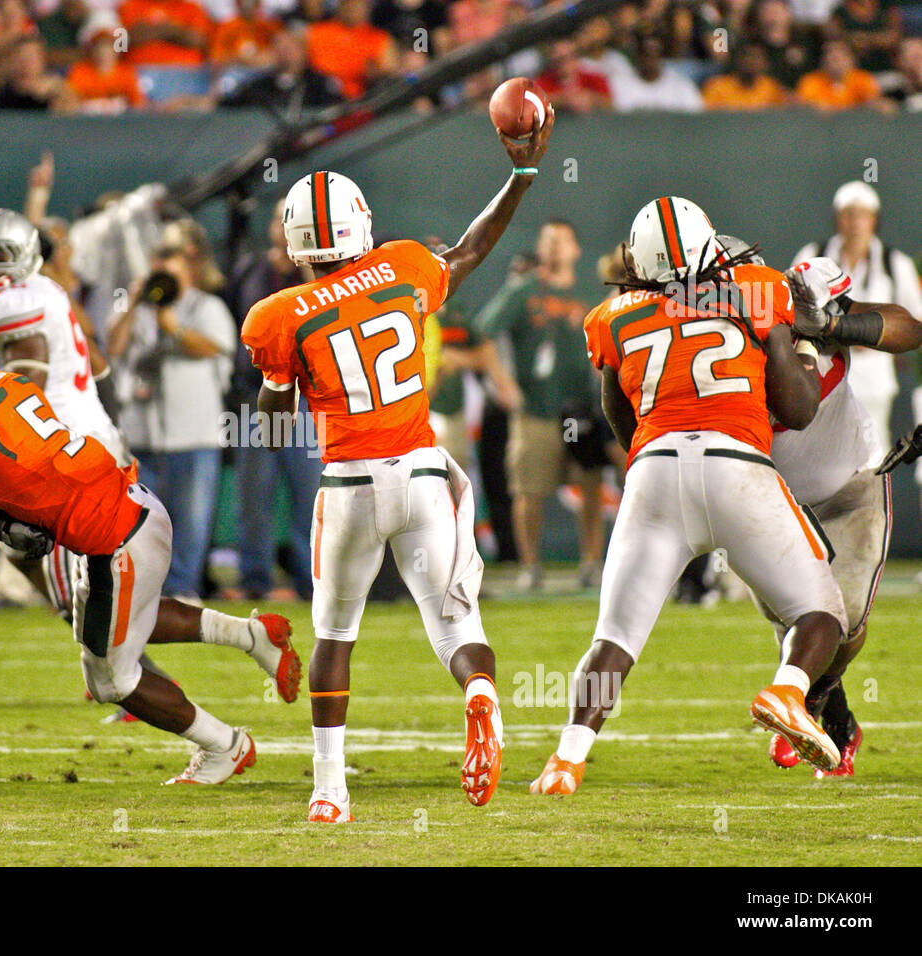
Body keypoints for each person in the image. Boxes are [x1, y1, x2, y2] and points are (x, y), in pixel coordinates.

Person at [241, 107, 554, 822]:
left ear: (295, 243)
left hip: (351, 485)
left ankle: (330, 791)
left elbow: (275, 422)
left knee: (334, 636)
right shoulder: (405, 267)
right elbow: (473, 248)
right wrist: (521, 176)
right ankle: (480, 698)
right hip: (420, 472)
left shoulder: (278, 314)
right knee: (453, 626)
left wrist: (274, 381)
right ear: (360, 224)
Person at [0, 321, 301, 784]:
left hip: (118, 539)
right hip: (134, 511)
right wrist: (5, 524)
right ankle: (252, 637)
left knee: (113, 680)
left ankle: (225, 745)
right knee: (116, 632)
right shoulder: (6, 384)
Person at [529, 198, 848, 796]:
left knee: (615, 637)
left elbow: (614, 412)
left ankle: (565, 762)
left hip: (655, 471)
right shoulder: (757, 288)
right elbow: (799, 410)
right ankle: (785, 690)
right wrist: (805, 346)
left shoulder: (612, 316)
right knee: (822, 611)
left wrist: (648, 464)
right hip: (738, 466)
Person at [760, 250, 922, 777]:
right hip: (775, 500)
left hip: (852, 485)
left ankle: (808, 703)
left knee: (846, 618)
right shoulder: (742, 327)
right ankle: (836, 718)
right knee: (801, 620)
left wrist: (833, 324)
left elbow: (908, 328)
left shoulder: (818, 305)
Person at [0, 207, 129, 616]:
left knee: (82, 580)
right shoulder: (48, 289)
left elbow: (25, 387)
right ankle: (92, 627)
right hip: (90, 437)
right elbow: (98, 362)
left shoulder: (12, 305)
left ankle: (104, 642)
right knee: (23, 551)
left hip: (65, 451)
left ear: (23, 252)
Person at [473, 220, 608, 591]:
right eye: (547, 239)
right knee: (528, 491)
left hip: (579, 408)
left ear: (576, 250)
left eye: (561, 241)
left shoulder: (588, 291)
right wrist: (505, 385)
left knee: (590, 486)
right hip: (534, 409)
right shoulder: (524, 289)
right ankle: (531, 565)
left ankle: (592, 562)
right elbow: (482, 332)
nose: (553, 247)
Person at [108, 243, 236, 599]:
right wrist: (133, 303)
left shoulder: (206, 305)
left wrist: (175, 328)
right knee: (139, 523)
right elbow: (113, 347)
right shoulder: (133, 307)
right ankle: (140, 592)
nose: (164, 279)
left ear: (190, 271)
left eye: (172, 271)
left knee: (189, 524)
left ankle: (181, 592)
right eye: (158, 270)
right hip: (141, 435)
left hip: (194, 433)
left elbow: (218, 347)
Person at [225, 199, 322, 602]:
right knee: (254, 498)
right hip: (257, 396)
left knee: (309, 496)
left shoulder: (318, 271)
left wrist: (305, 264)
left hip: (305, 400)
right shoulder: (250, 268)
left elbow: (325, 306)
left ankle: (309, 581)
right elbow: (232, 319)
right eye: (281, 218)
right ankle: (254, 580)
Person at [792, 182, 922, 460]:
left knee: (873, 453)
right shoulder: (812, 257)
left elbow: (914, 323)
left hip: (874, 379)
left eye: (862, 215)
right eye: (848, 214)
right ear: (838, 218)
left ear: (874, 219)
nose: (855, 223)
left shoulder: (895, 264)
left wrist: (874, 335)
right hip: (823, 375)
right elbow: (790, 308)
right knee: (820, 452)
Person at [304, 0, 397, 99]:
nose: (353, 9)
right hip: (318, 95)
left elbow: (391, 72)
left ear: (368, 9)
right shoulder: (316, 32)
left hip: (362, 99)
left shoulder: (379, 38)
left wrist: (376, 74)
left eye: (358, 5)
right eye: (349, 4)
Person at [609, 29, 704, 113]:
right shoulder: (618, 84)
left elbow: (695, 121)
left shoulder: (681, 86)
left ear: (661, 55)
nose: (650, 59)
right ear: (637, 55)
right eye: (645, 53)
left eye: (654, 53)